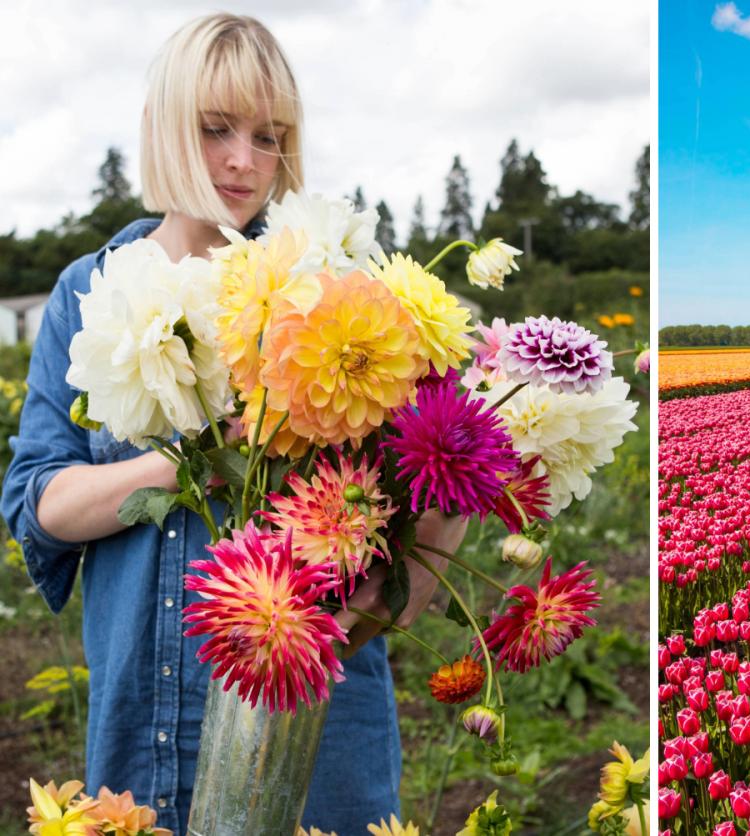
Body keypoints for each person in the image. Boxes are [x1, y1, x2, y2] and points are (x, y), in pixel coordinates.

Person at [1, 14, 464, 834]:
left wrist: (404, 589)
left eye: (269, 136)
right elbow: (39, 504)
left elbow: (445, 466)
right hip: (145, 719)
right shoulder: (86, 292)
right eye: (216, 129)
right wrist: (197, 456)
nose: (244, 160)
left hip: (316, 726)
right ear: (162, 126)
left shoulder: (336, 294)